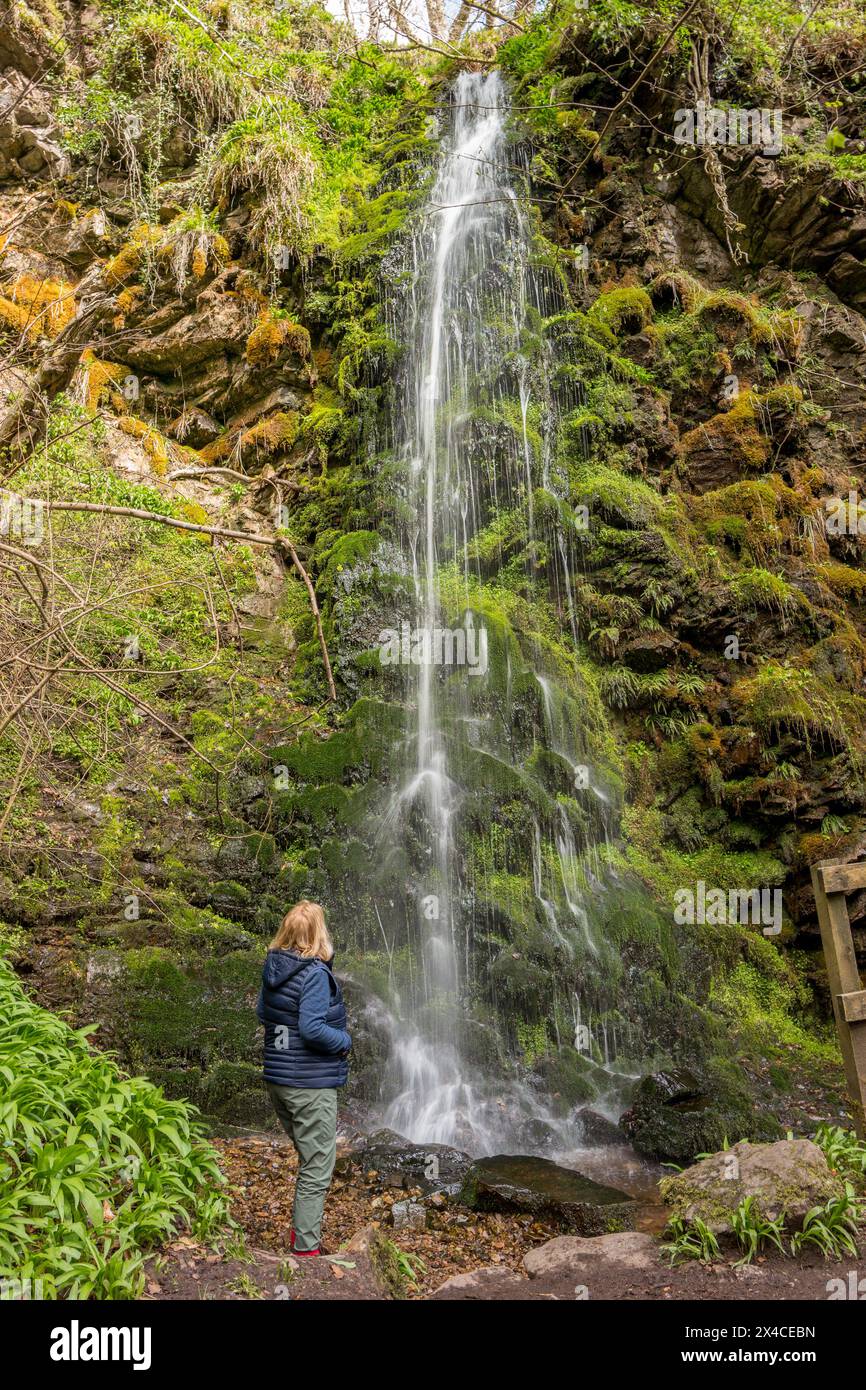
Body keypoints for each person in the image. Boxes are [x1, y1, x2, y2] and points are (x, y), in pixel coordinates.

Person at [256, 900, 351, 1255]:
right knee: (317, 1165)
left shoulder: (274, 967)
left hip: (278, 1080)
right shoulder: (312, 974)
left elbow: (264, 1014)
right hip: (308, 1085)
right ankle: (306, 1250)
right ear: (316, 933)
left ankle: (301, 1234)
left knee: (310, 1158)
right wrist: (344, 1041)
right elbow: (312, 1030)